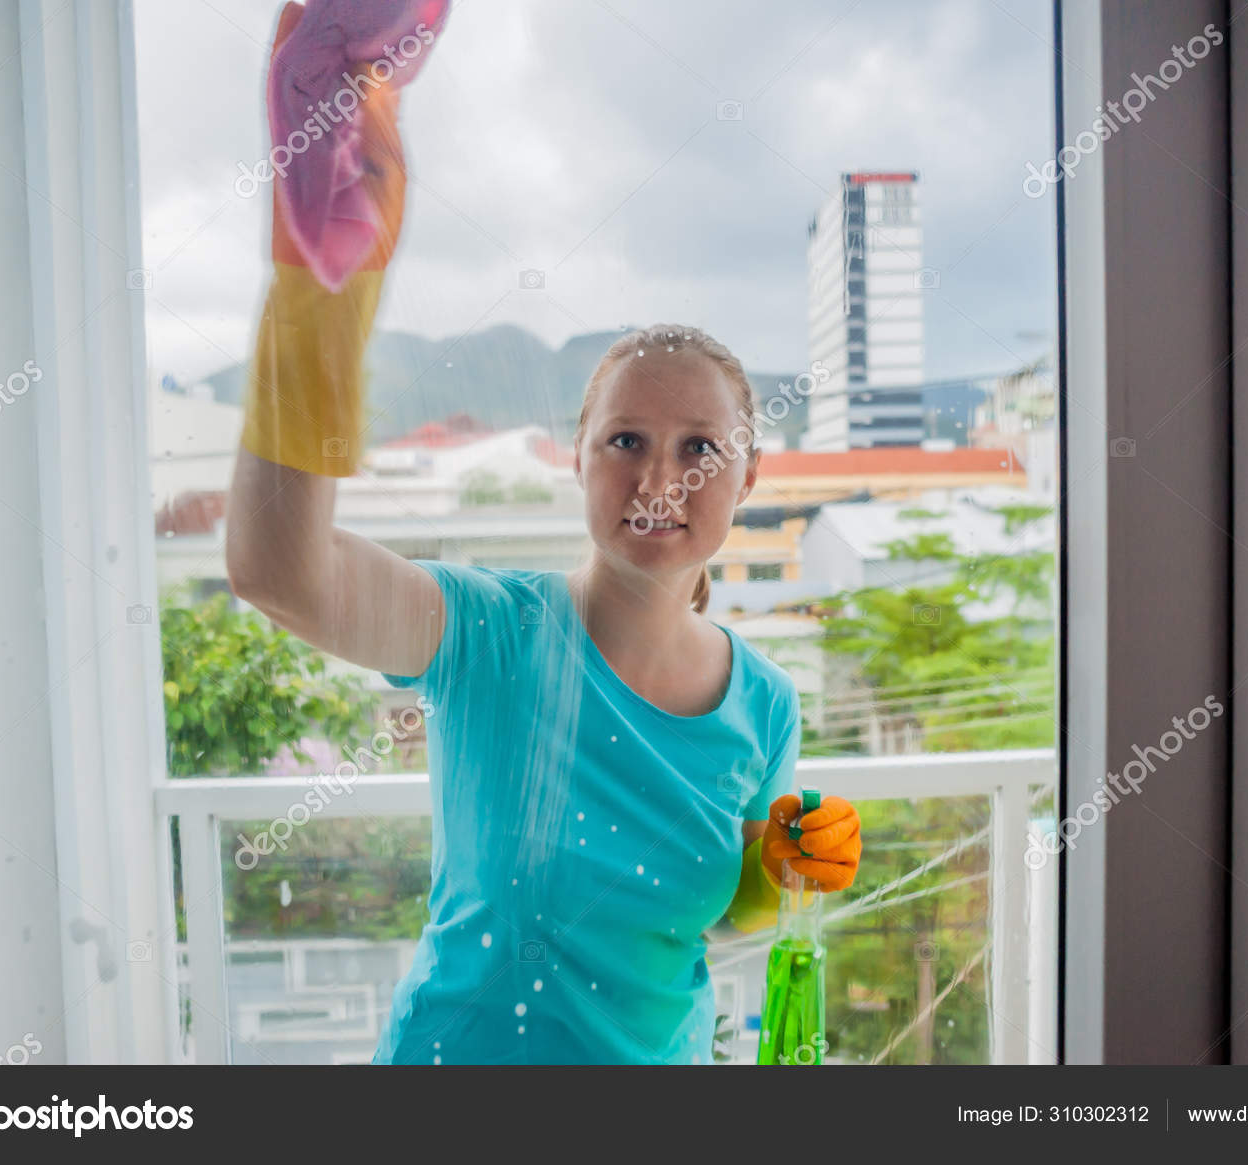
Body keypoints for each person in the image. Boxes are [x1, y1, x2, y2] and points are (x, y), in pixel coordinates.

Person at [226, 1, 862, 1065]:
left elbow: (710, 914)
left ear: (750, 477)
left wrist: (780, 873)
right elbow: (279, 570)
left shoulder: (764, 701)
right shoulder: (488, 631)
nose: (660, 476)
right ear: (575, 454)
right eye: (625, 439)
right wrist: (317, 295)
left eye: (700, 448)